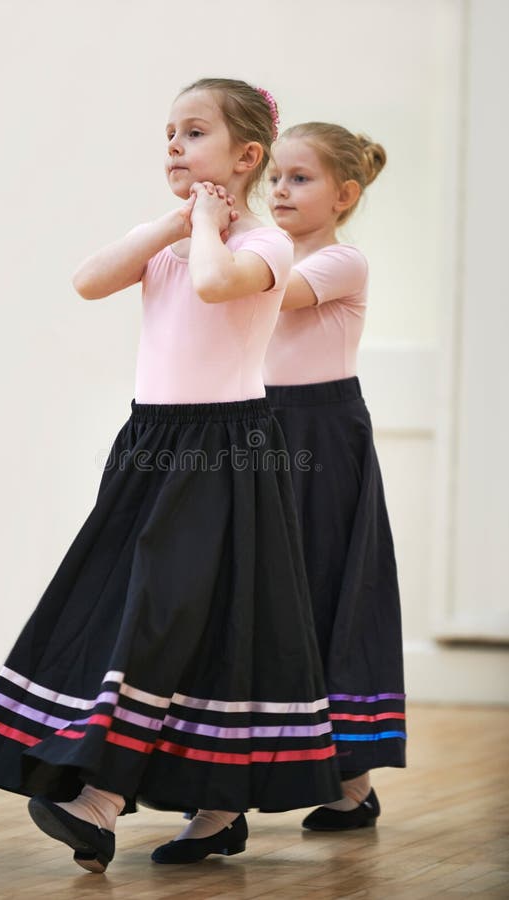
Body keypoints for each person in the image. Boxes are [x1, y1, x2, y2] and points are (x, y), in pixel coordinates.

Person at [0, 82, 341, 872]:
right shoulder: (166, 236)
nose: (171, 145)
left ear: (245, 157)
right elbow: (90, 280)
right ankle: (180, 804)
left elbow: (212, 284)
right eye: (167, 131)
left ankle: (119, 798)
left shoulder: (260, 244)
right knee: (139, 604)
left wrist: (204, 223)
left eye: (192, 133)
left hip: (225, 448)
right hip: (151, 441)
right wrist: (174, 220)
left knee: (181, 612)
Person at [263, 122, 406, 832]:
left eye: (299, 178)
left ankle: (351, 781)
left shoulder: (339, 261)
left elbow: (271, 296)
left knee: (323, 587)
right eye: (274, 179)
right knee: (262, 593)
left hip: (320, 432)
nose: (279, 191)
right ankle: (224, 780)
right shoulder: (260, 253)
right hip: (258, 426)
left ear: (343, 195)